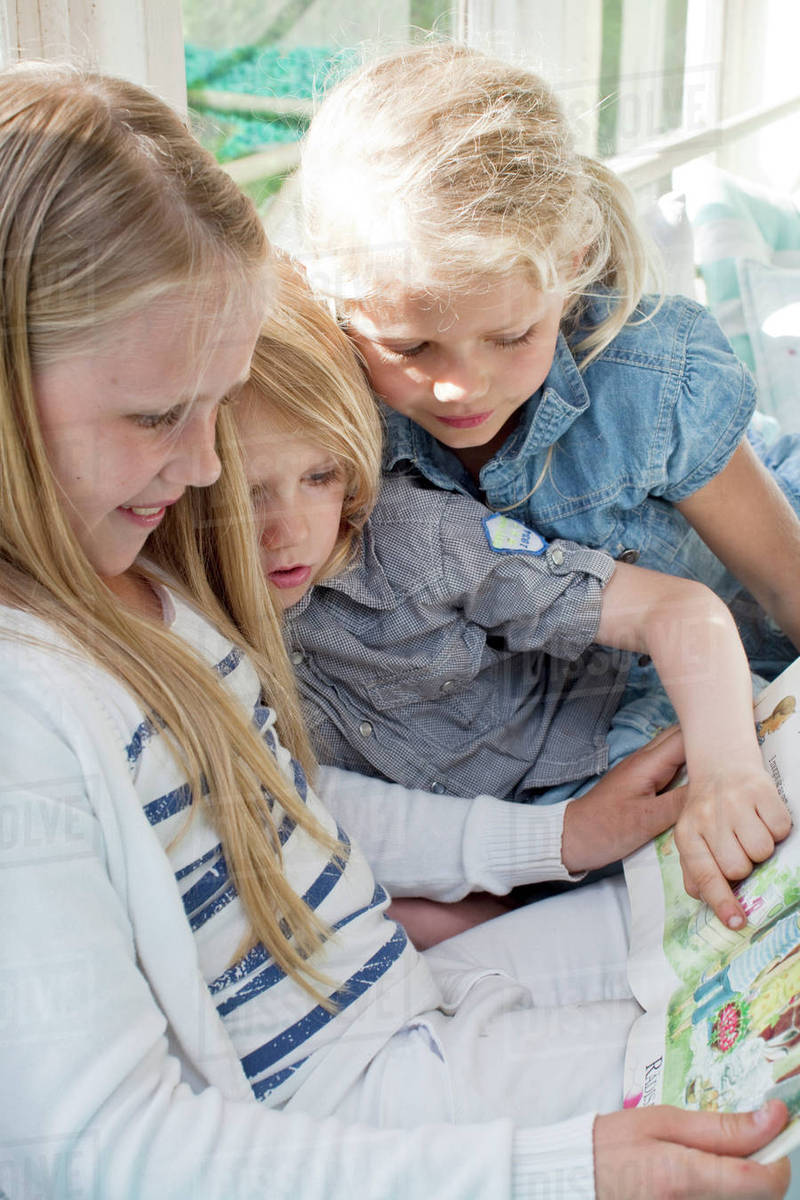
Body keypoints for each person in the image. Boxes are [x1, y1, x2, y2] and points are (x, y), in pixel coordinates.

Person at [0, 60, 790, 1200]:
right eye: (160, 415)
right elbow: (98, 1148)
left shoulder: (130, 568)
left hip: (406, 1008)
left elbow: (288, 814)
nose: (211, 471)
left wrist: (552, 843)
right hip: (365, 1096)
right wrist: (555, 1170)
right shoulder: (37, 703)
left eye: (215, 410)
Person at [235, 260, 789, 934]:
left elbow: (682, 612)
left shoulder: (417, 536)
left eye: (318, 476)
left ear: (352, 464)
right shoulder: (200, 632)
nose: (285, 533)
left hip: (602, 750)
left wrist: (722, 773)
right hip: (494, 850)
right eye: (241, 495)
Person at [296, 42, 800, 689]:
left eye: (510, 336)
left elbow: (786, 586)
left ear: (570, 266)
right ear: (333, 299)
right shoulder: (325, 407)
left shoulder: (652, 381)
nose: (458, 387)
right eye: (410, 348)